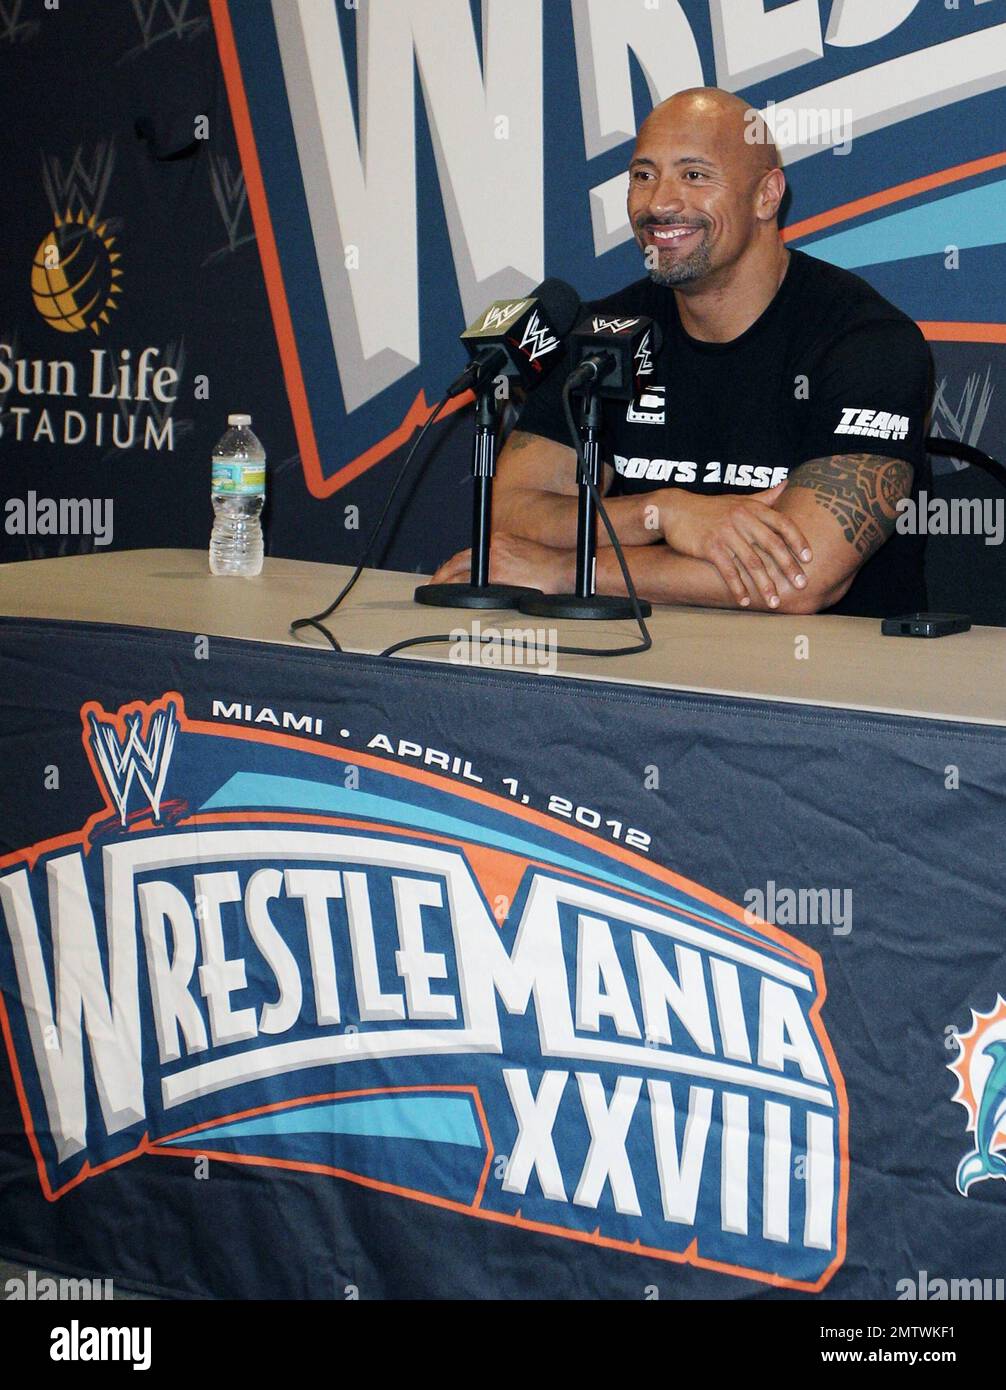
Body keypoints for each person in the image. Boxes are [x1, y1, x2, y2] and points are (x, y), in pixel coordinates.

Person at [426, 87, 932, 617]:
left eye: (694, 175)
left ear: (766, 195)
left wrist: (562, 571)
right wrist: (663, 513)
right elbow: (509, 512)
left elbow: (800, 579)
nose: (659, 203)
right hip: (633, 661)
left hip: (829, 682)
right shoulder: (600, 334)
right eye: (643, 176)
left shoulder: (867, 341)